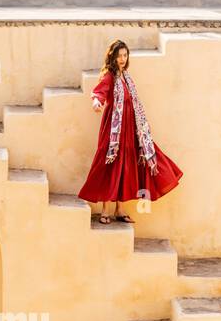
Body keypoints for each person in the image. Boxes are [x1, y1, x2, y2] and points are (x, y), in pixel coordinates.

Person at [78, 39, 182, 222]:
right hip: (114, 130)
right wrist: (97, 101)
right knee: (110, 165)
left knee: (126, 166)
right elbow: (100, 91)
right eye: (119, 56)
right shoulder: (110, 76)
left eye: (125, 55)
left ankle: (120, 209)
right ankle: (105, 210)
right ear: (113, 57)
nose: (122, 59)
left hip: (130, 129)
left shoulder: (126, 77)